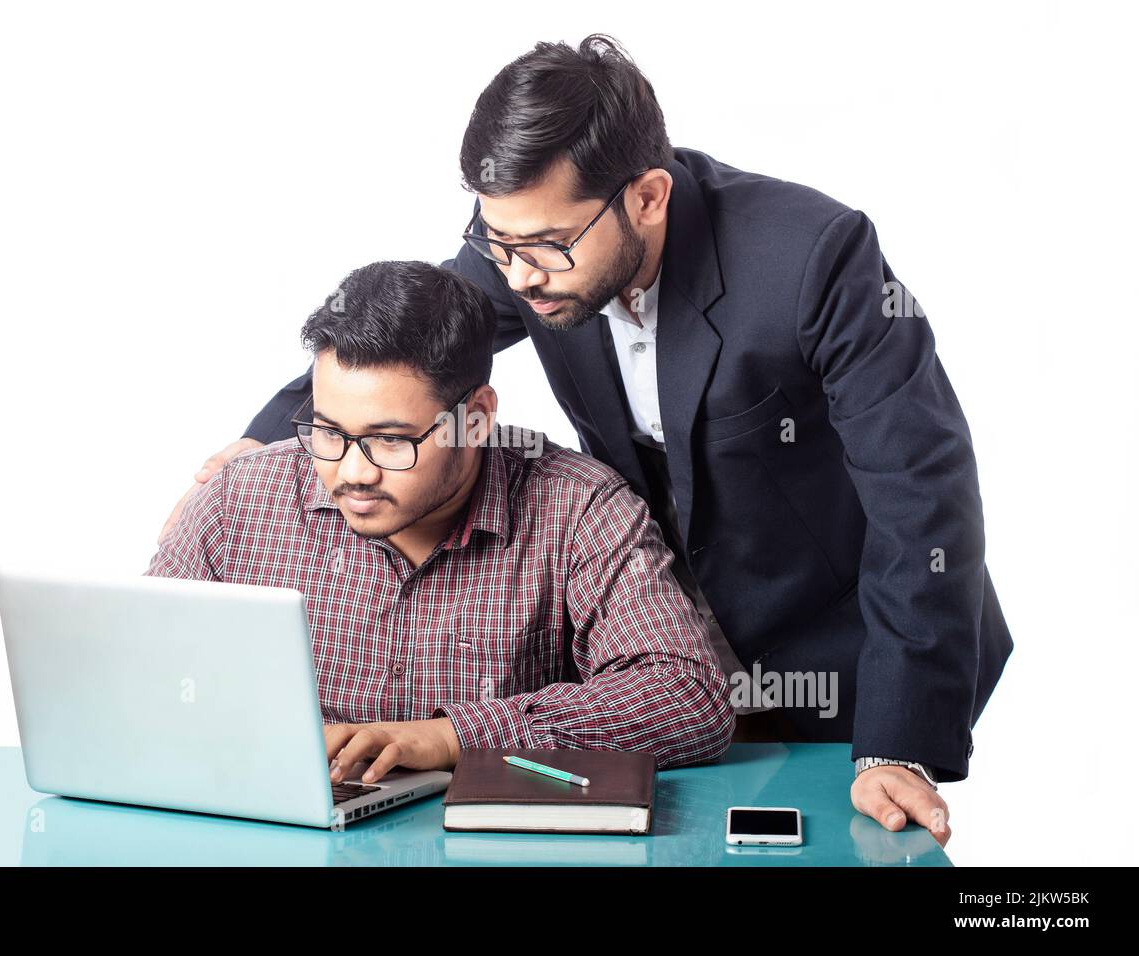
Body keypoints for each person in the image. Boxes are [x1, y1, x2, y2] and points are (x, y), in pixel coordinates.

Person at [162, 36, 1013, 847]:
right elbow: (411, 351)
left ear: (647, 197)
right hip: (659, 644)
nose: (519, 275)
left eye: (544, 247)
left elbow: (922, 493)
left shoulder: (812, 257)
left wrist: (897, 740)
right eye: (498, 244)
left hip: (844, 651)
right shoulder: (525, 241)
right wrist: (259, 445)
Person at [147, 259, 735, 782]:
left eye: (390, 440)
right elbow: (140, 668)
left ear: (475, 417)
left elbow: (689, 700)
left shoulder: (579, 508)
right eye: (328, 432)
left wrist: (449, 738)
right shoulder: (239, 501)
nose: (353, 472)